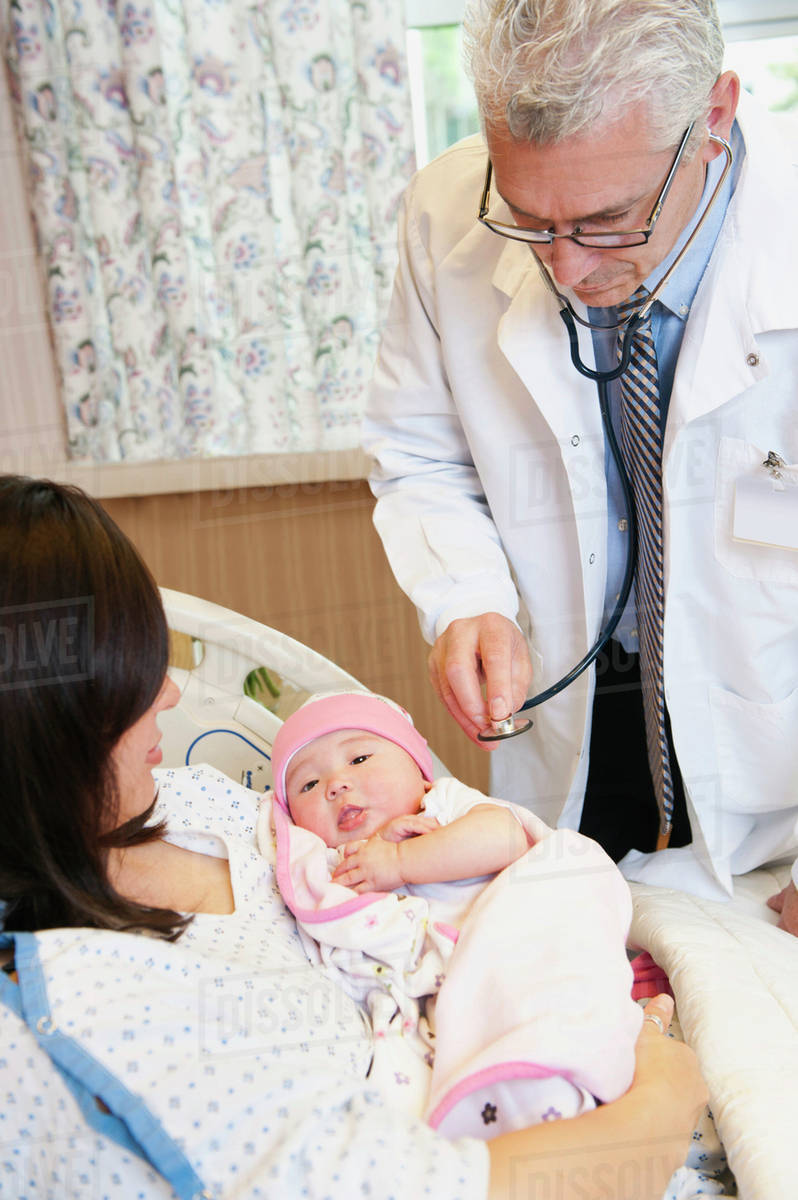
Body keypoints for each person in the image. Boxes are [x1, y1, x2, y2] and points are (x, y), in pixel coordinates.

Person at [0, 473, 706, 1199]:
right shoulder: (87, 1004)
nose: (172, 694)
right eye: (135, 673)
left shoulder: (190, 800)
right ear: (42, 715)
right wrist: (665, 1093)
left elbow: (506, 849)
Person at [363, 0, 798, 924]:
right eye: (528, 218)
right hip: (578, 712)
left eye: (607, 221)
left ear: (713, 116)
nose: (563, 268)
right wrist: (466, 597)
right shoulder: (445, 214)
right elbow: (419, 454)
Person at [266, 690, 642, 1139]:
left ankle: (544, 1068)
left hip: (510, 951)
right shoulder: (331, 866)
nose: (336, 784)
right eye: (308, 785)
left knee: (566, 871)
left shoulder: (442, 805)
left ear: (417, 767)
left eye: (360, 758)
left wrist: (402, 862)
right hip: (435, 999)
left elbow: (504, 838)